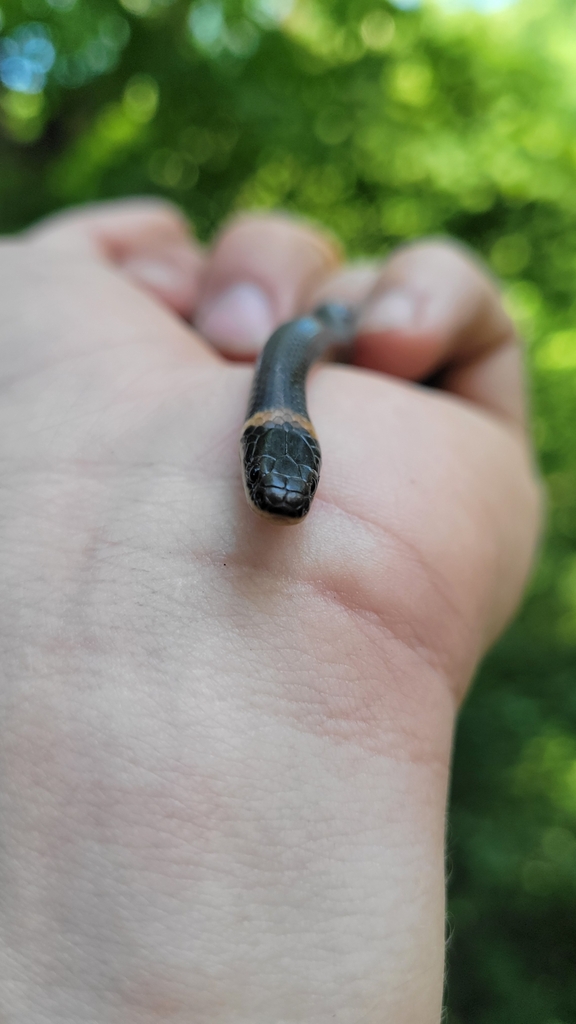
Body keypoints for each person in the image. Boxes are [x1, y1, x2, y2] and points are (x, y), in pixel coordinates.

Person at [0, 198, 541, 1022]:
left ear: (303, 452)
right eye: (269, 483)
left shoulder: (305, 424)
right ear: (254, 445)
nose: (284, 501)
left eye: (300, 487)